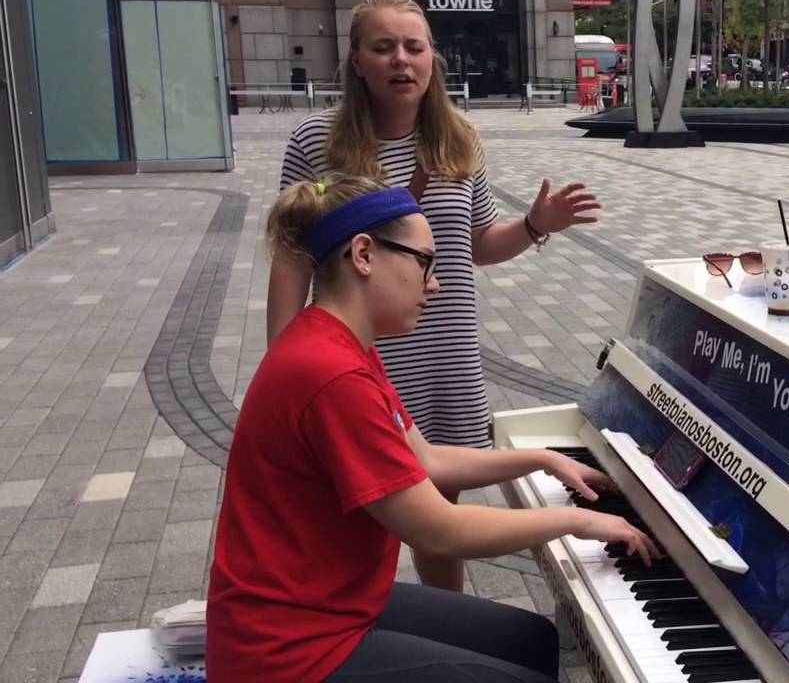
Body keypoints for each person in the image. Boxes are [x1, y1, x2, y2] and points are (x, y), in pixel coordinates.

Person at [207, 175, 659, 683]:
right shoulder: (330, 373)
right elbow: (438, 529)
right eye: (425, 261)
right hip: (288, 652)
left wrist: (543, 459)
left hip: (333, 604)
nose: (436, 283)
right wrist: (577, 523)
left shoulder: (344, 343)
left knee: (531, 640)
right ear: (363, 255)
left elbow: (426, 460)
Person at [268, 0, 600, 593]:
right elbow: (292, 256)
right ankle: (356, 617)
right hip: (360, 355)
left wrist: (534, 226)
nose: (401, 60)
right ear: (357, 61)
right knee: (359, 510)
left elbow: (475, 245)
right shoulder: (317, 142)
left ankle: (443, 615)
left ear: (432, 58)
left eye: (413, 47)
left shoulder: (457, 138)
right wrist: (285, 367)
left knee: (438, 512)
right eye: (383, 47)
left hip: (444, 350)